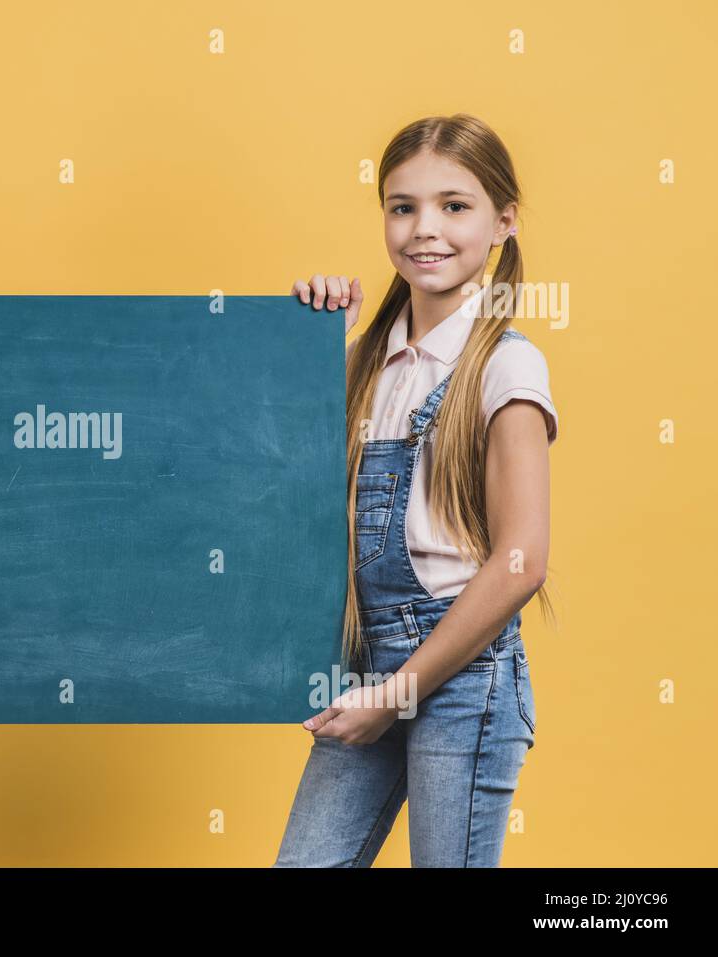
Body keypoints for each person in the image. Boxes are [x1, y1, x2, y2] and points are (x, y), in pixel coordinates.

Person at [276, 114, 556, 867]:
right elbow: (261, 465)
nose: (424, 229)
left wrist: (400, 693)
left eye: (454, 206)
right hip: (373, 664)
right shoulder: (368, 360)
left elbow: (522, 561)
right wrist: (305, 336)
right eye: (402, 207)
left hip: (465, 681)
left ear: (503, 220)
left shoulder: (506, 368)